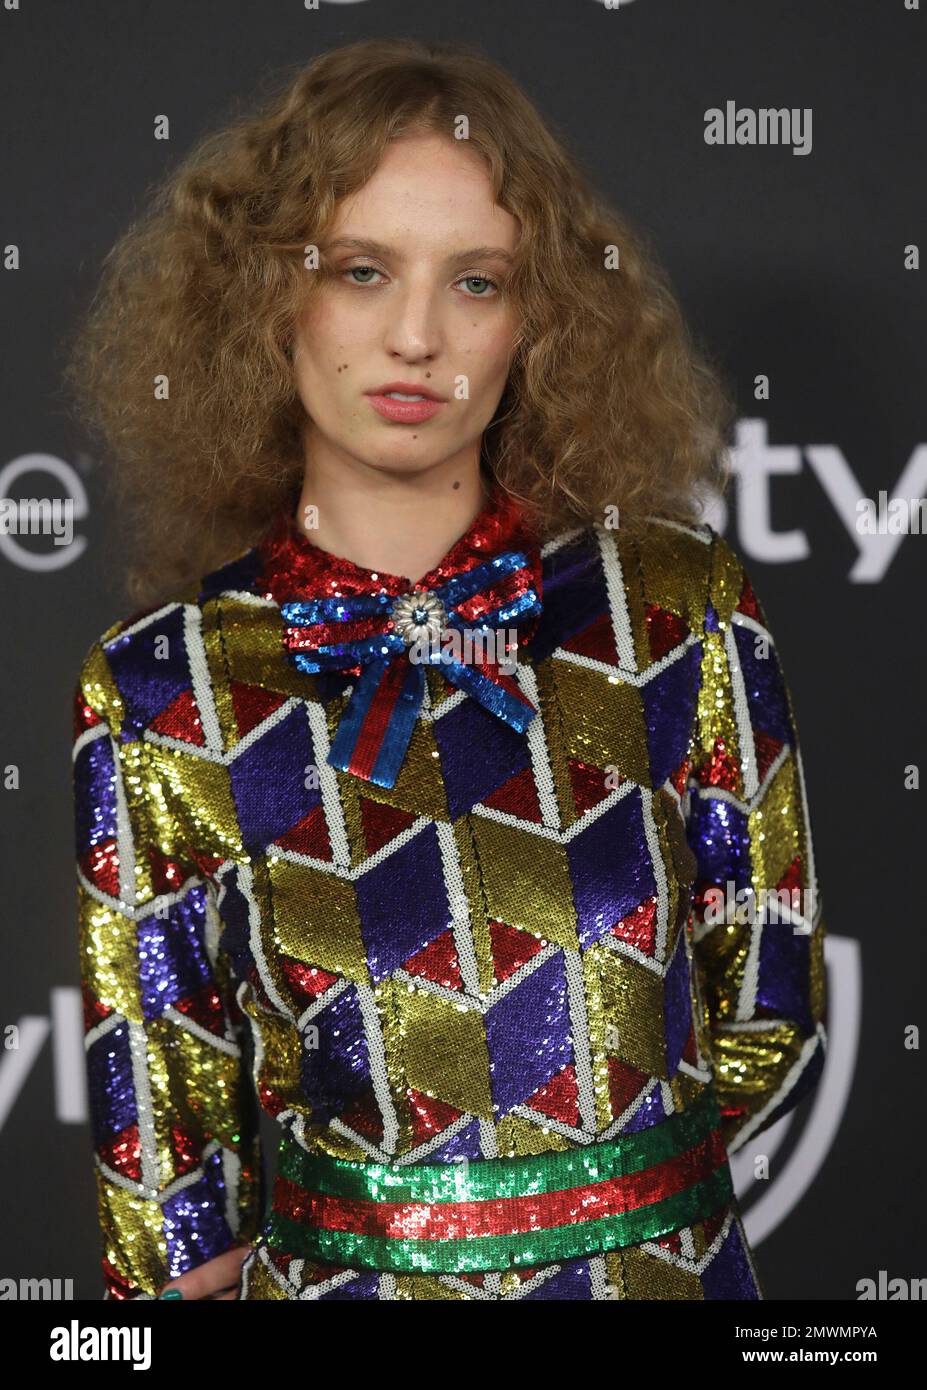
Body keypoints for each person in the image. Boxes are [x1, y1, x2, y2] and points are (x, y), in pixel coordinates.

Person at [67, 38, 827, 1302]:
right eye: (362, 272)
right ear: (268, 301)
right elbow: (167, 1194)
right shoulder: (163, 689)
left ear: (538, 321)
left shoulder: (672, 614)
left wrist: (608, 1220)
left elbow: (769, 1003)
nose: (416, 335)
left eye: (477, 282)